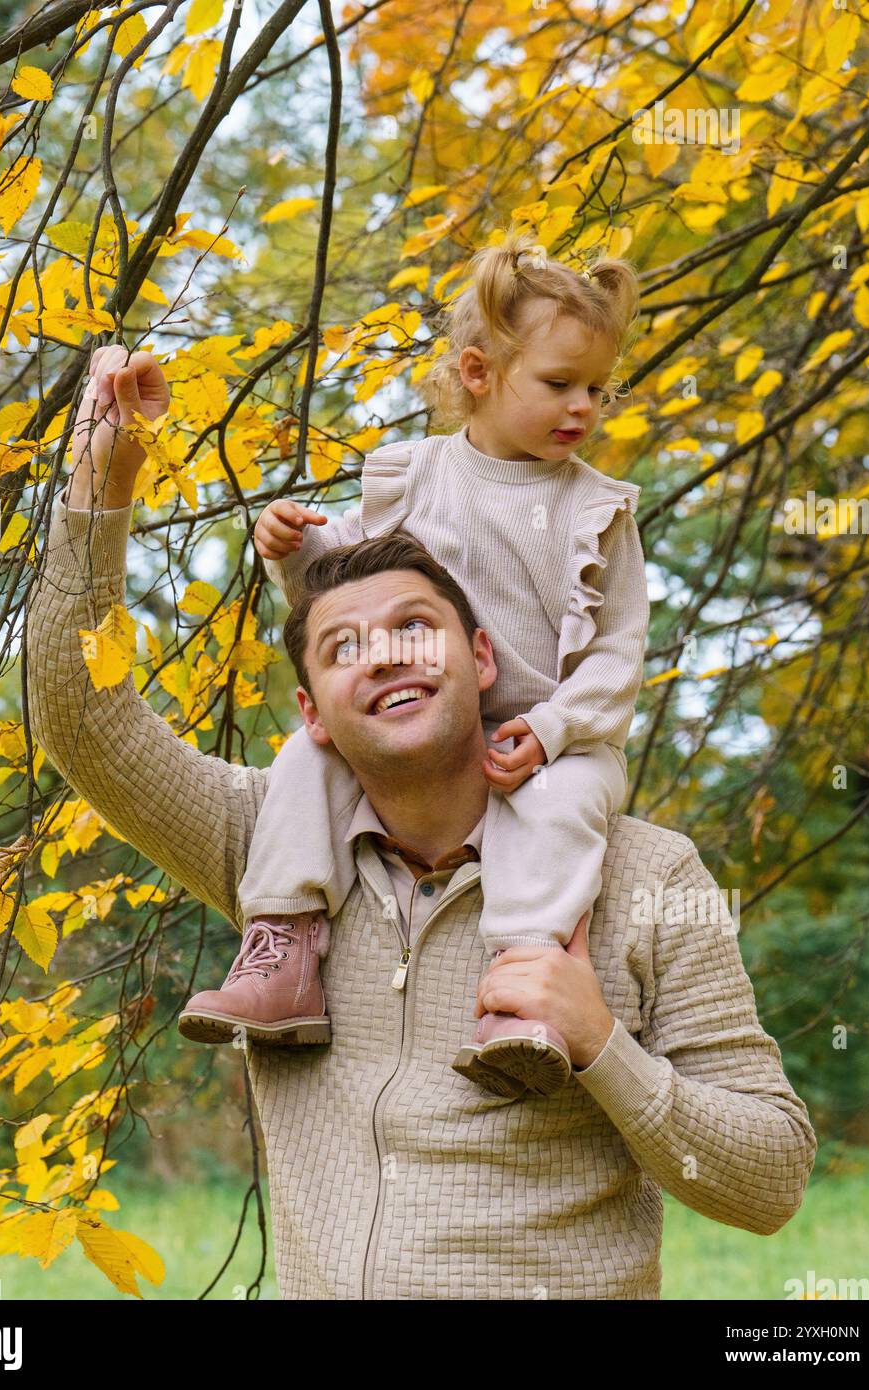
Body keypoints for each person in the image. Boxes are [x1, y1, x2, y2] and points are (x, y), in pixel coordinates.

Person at [25, 275, 817, 1300]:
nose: (384, 656)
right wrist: (102, 484)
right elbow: (81, 719)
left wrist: (600, 1043)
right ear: (312, 711)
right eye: (344, 645)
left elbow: (770, 1180)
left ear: (481, 657)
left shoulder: (643, 878)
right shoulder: (268, 846)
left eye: (413, 627)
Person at [179, 226, 647, 1097]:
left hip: (549, 739)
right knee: (304, 760)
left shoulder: (596, 511)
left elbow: (618, 657)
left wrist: (549, 732)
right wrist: (288, 550)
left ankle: (524, 990)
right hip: (418, 719)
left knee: (558, 810)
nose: (581, 407)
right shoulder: (415, 478)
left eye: (596, 388)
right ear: (477, 374)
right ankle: (283, 948)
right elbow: (336, 600)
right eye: (558, 384)